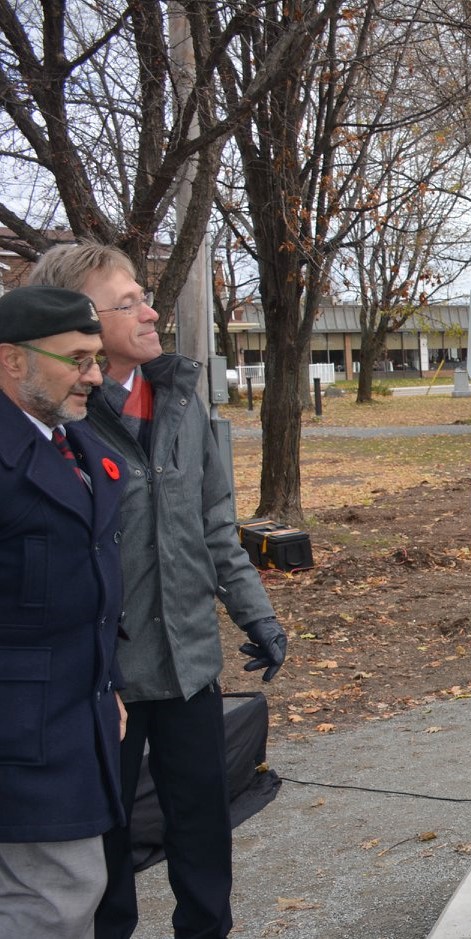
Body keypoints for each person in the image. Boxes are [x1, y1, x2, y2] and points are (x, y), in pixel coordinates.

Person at [29, 244, 289, 939]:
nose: (151, 311)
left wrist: (256, 614)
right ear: (79, 322)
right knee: (104, 852)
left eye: (146, 296)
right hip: (105, 682)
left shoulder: (179, 397)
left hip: (189, 666)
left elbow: (213, 526)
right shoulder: (61, 418)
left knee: (203, 832)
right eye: (129, 302)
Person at [0, 286, 128, 938]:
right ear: (12, 360)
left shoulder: (67, 443)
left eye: (97, 357)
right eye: (77, 358)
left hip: (71, 713)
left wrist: (102, 682)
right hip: (23, 736)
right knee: (51, 904)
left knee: (70, 896)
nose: (95, 376)